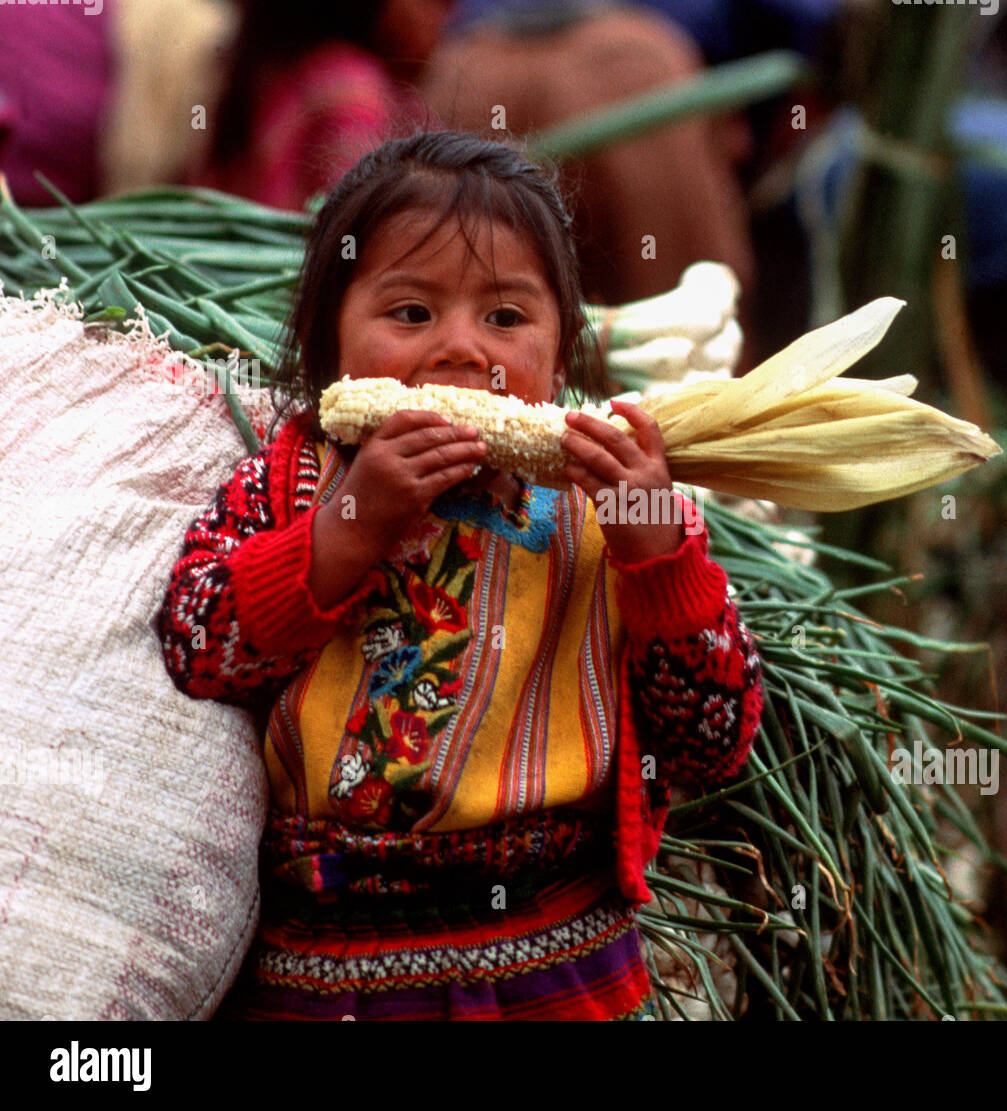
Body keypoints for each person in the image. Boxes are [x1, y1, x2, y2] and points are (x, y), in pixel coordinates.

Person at [157, 130, 764, 1020]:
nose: (461, 351)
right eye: (410, 314)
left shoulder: (613, 507)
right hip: (328, 976)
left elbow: (713, 737)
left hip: (560, 967)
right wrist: (348, 529)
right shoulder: (288, 485)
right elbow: (199, 645)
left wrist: (655, 551)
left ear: (562, 356)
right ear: (331, 345)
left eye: (507, 318)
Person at [196, 0, 454, 211]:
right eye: (433, 3)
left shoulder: (266, 70)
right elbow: (354, 223)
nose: (442, 20)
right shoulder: (352, 91)